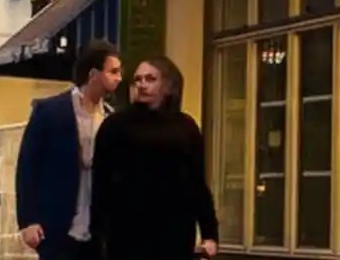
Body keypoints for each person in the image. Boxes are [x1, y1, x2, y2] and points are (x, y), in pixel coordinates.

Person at [92, 56, 219, 260]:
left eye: (150, 79)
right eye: (138, 79)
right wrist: (97, 235)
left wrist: (209, 233)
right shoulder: (115, 126)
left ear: (168, 84)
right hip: (126, 231)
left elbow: (197, 183)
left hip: (174, 231)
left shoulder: (185, 127)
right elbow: (100, 183)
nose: (142, 85)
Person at [16, 40, 123, 260]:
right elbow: (28, 167)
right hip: (56, 226)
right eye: (113, 71)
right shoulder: (50, 111)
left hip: (96, 231)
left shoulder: (111, 118)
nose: (119, 78)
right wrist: (28, 220)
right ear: (94, 74)